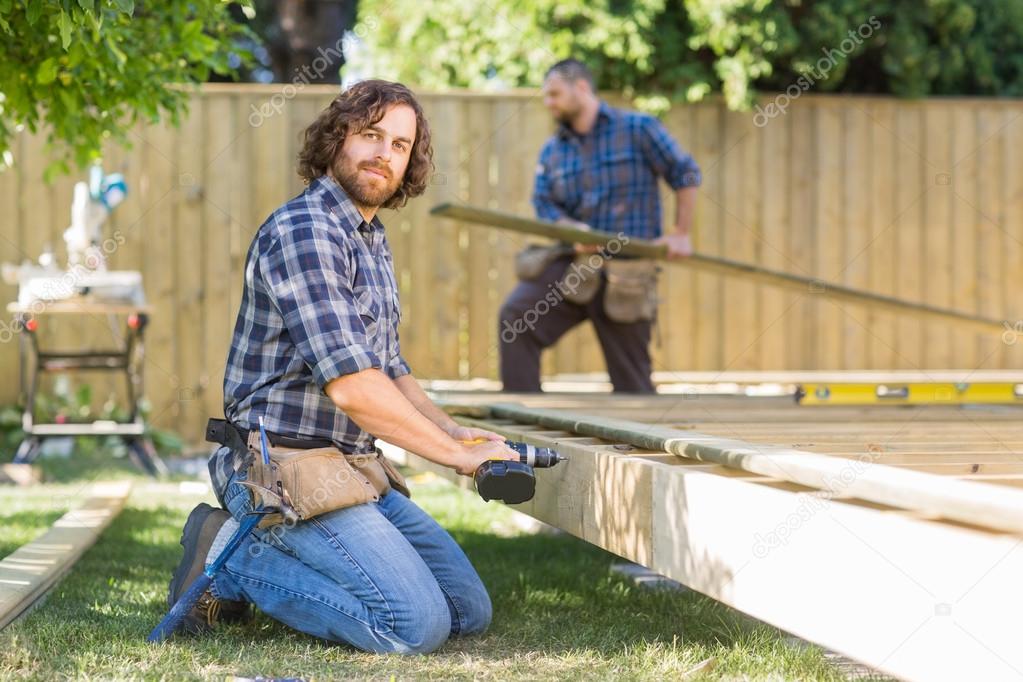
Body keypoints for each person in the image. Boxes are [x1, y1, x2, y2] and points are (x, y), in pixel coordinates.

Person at [165, 79, 518, 654]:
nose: (385, 153)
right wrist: (457, 459)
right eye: (371, 134)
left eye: (401, 145)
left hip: (353, 467)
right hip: (282, 465)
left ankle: (259, 557)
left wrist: (456, 432)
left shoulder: (369, 237)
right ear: (336, 138)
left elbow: (390, 368)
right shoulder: (306, 229)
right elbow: (353, 387)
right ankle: (230, 553)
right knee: (414, 626)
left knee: (465, 611)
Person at [499, 59, 701, 394]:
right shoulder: (553, 150)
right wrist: (572, 230)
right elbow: (544, 204)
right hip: (574, 266)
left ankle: (639, 441)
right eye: (545, 97)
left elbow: (686, 172)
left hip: (627, 274)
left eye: (554, 94)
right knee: (516, 319)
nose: (548, 103)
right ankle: (522, 428)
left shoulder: (638, 129)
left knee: (633, 385)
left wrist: (681, 232)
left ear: (581, 87)